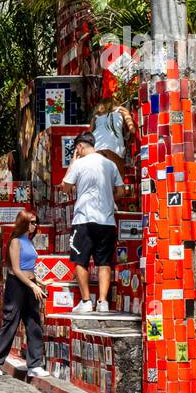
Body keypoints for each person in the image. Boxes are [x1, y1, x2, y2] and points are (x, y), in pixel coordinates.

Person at [61, 131, 123, 314]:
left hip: (83, 220)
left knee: (81, 260)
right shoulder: (110, 165)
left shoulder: (79, 164)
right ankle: (103, 302)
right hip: (107, 221)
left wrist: (72, 162)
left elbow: (65, 187)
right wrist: (109, 199)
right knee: (104, 262)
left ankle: (86, 301)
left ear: (79, 147)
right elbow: (120, 191)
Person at [0, 210, 48, 378]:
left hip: (30, 283)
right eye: (32, 222)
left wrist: (39, 283)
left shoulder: (29, 241)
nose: (35, 226)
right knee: (11, 321)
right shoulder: (16, 241)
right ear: (24, 223)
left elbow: (29, 268)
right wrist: (32, 285)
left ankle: (35, 364)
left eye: (36, 222)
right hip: (17, 284)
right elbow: (15, 268)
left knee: (33, 322)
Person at [90, 90, 136, 170]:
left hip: (96, 147)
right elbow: (132, 130)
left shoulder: (96, 117)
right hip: (114, 148)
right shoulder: (121, 111)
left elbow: (89, 134)